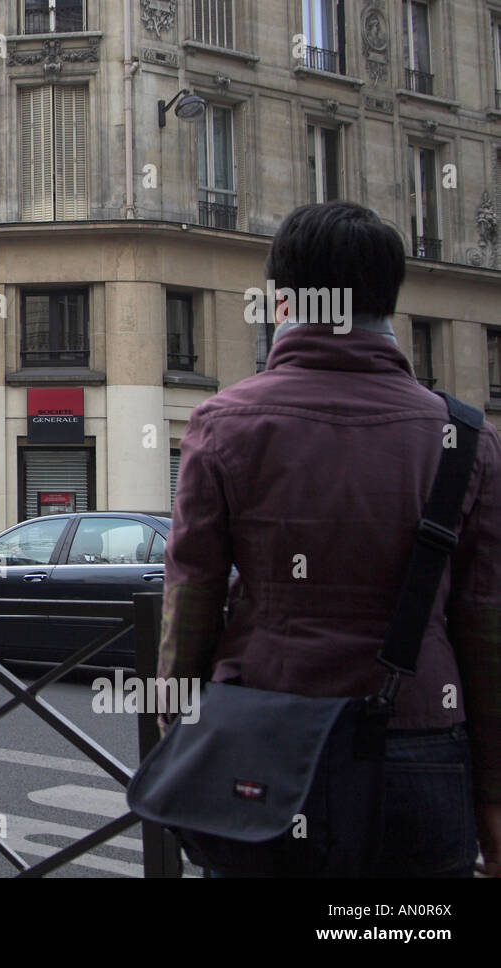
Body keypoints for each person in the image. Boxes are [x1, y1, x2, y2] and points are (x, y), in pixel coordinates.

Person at [161, 201, 501, 877]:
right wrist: (493, 796)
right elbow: (487, 628)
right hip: (422, 749)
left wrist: (179, 735)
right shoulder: (467, 438)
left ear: (283, 301)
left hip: (263, 749)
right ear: (391, 301)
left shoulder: (223, 423)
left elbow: (190, 601)